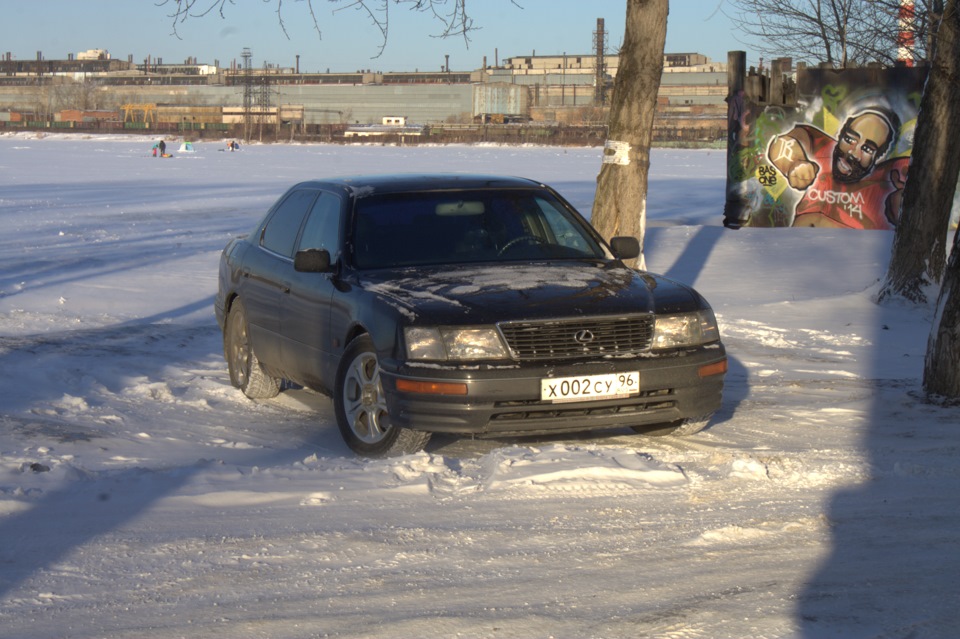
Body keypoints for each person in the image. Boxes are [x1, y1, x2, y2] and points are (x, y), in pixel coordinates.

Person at [767, 110, 908, 229]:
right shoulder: (824, 149)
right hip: (798, 247)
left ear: (878, 157)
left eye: (867, 149)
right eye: (850, 139)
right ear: (840, 136)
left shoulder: (890, 174)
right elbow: (784, 142)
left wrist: (903, 203)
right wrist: (794, 163)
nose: (853, 153)